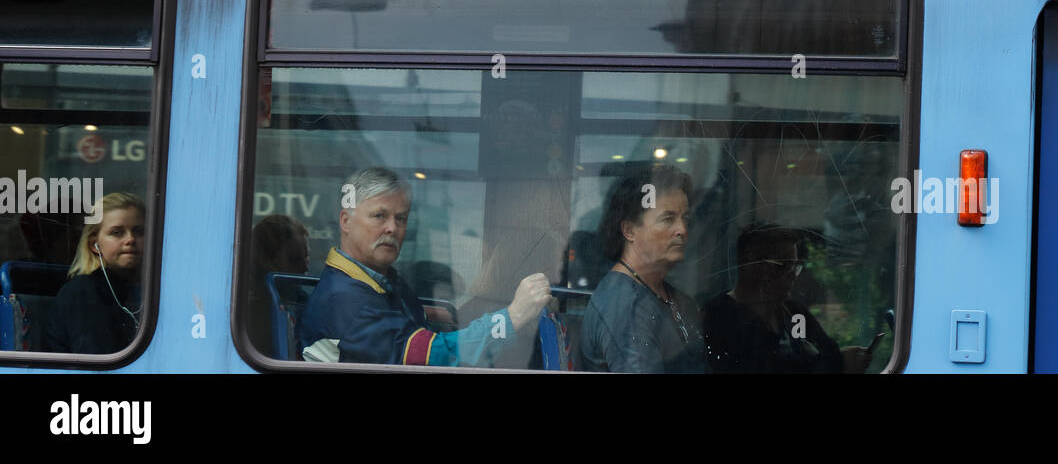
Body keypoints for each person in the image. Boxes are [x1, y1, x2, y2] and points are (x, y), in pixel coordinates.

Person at [298, 167, 552, 365]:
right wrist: (513, 317)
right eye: (379, 216)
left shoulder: (378, 283)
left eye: (401, 218)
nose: (392, 228)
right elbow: (437, 357)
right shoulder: (346, 300)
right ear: (346, 221)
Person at [702, 223, 877, 373]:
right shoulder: (719, 315)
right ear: (751, 264)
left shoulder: (794, 313)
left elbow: (826, 349)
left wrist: (843, 358)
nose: (792, 275)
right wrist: (838, 364)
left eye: (795, 267)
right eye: (784, 266)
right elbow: (760, 366)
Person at [580, 167, 708, 373]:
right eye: (668, 219)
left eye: (685, 218)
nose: (682, 230)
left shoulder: (670, 296)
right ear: (630, 230)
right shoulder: (625, 308)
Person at [44, 192, 146, 354]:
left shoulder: (152, 288)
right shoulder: (82, 292)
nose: (130, 239)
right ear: (94, 245)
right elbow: (97, 361)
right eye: (117, 232)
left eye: (139, 231)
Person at [247, 214, 311, 355]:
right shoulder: (257, 315)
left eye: (306, 257)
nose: (305, 268)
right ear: (266, 262)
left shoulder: (305, 302)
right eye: (294, 259)